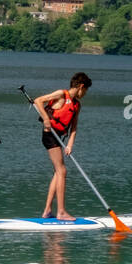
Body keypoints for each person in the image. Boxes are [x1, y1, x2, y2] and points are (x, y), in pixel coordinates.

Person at [35, 72, 92, 220]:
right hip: (49, 135)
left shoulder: (77, 105)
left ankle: (47, 210)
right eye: (85, 91)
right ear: (81, 87)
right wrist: (46, 118)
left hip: (58, 137)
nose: (85, 94)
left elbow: (74, 128)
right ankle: (61, 212)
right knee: (62, 171)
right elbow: (38, 101)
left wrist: (70, 145)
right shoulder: (61, 94)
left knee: (58, 172)